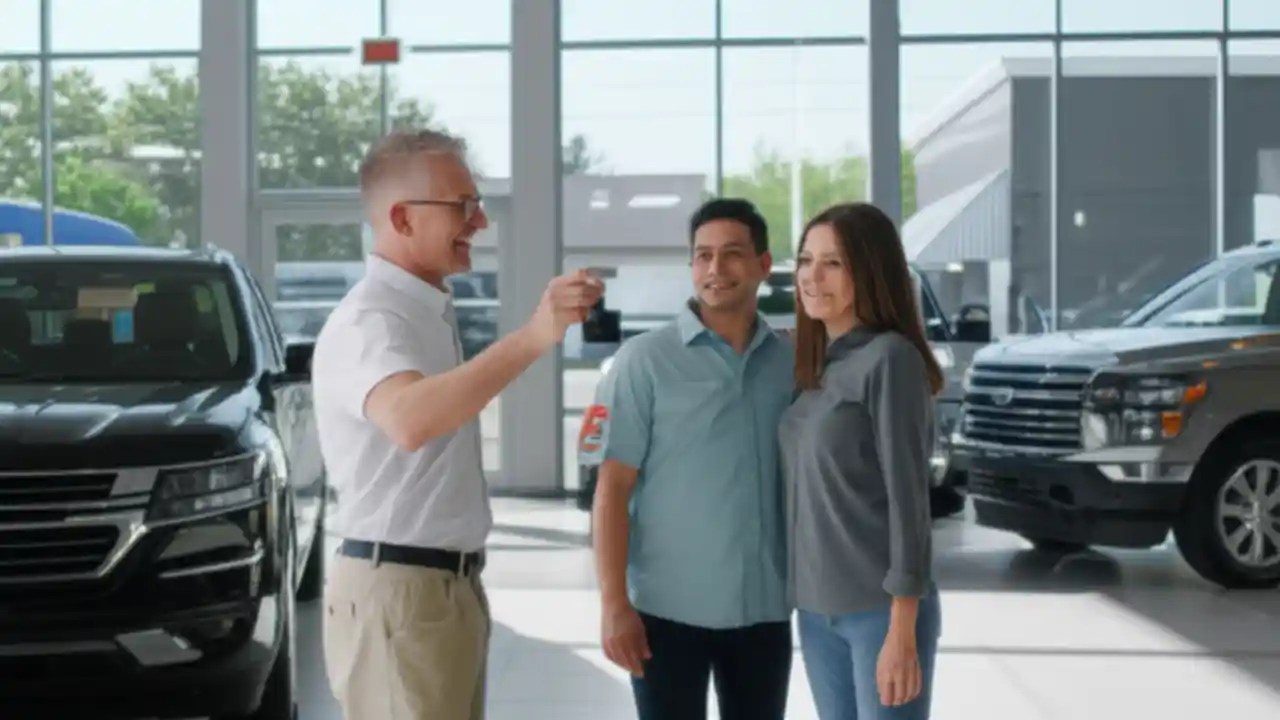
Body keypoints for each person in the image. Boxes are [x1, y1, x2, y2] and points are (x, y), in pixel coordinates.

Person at [312, 128, 603, 720]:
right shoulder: (371, 322)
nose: (480, 223)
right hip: (400, 592)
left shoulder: (423, 313)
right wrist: (534, 335)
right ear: (401, 217)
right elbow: (409, 418)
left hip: (443, 589)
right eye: (462, 207)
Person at [584, 198, 794, 720]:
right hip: (664, 614)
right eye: (702, 256)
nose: (715, 270)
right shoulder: (644, 360)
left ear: (764, 265)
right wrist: (614, 605)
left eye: (732, 254)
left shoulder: (792, 363)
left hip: (764, 611)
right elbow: (612, 488)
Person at [779, 202, 944, 720]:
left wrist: (902, 628)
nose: (811, 275)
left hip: (881, 613)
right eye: (806, 260)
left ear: (869, 271)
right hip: (815, 611)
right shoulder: (819, 367)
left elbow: (910, 501)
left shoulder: (890, 359)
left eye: (833, 262)